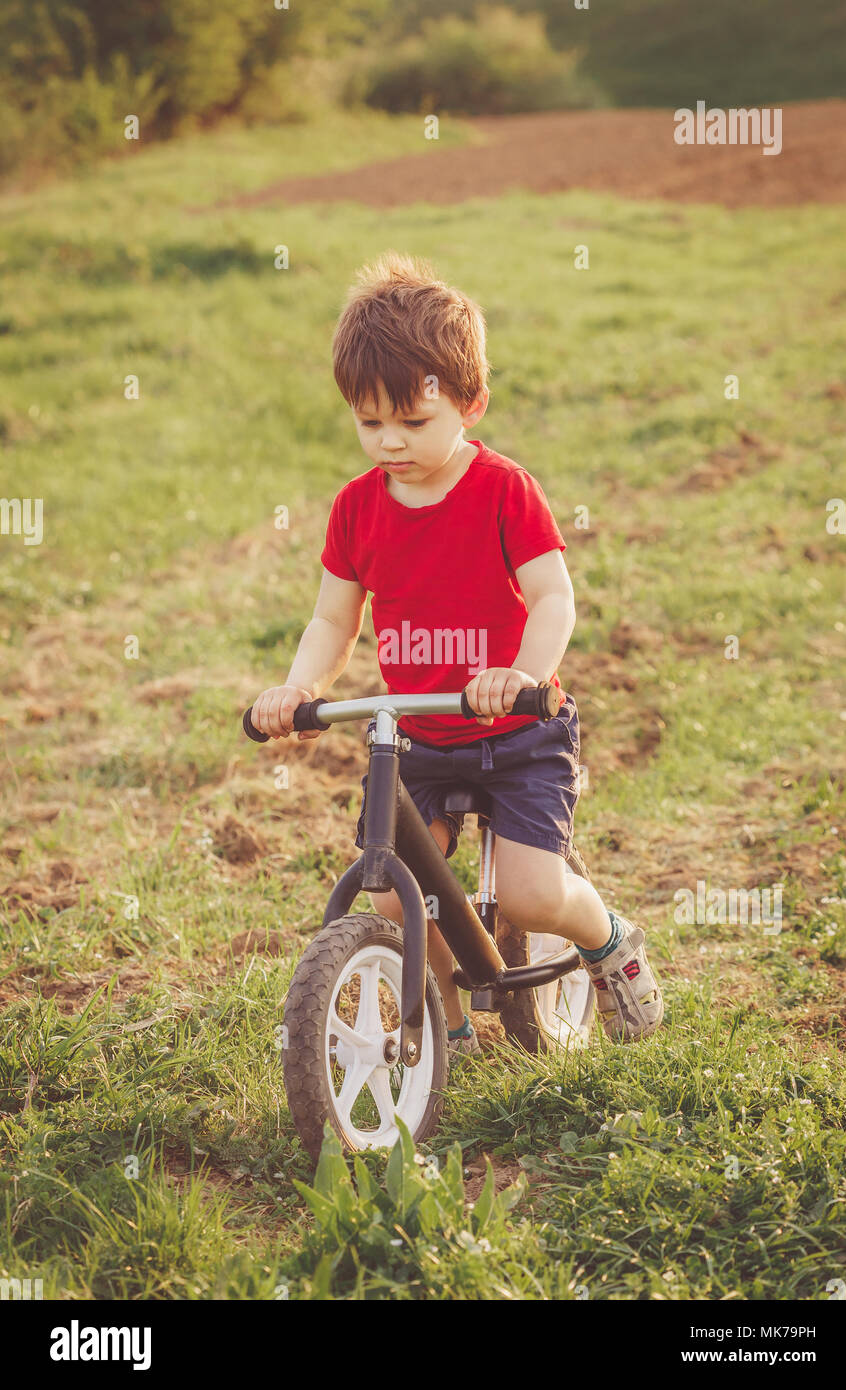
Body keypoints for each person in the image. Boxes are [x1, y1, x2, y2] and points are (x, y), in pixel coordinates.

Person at [250, 251, 663, 1054]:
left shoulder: (503, 490)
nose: (390, 443)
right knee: (405, 902)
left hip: (517, 732)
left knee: (532, 895)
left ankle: (610, 942)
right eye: (370, 423)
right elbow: (334, 621)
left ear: (469, 403)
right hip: (421, 732)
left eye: (413, 423)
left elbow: (554, 598)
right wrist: (297, 688)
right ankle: (443, 1021)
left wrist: (523, 676)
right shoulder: (357, 509)